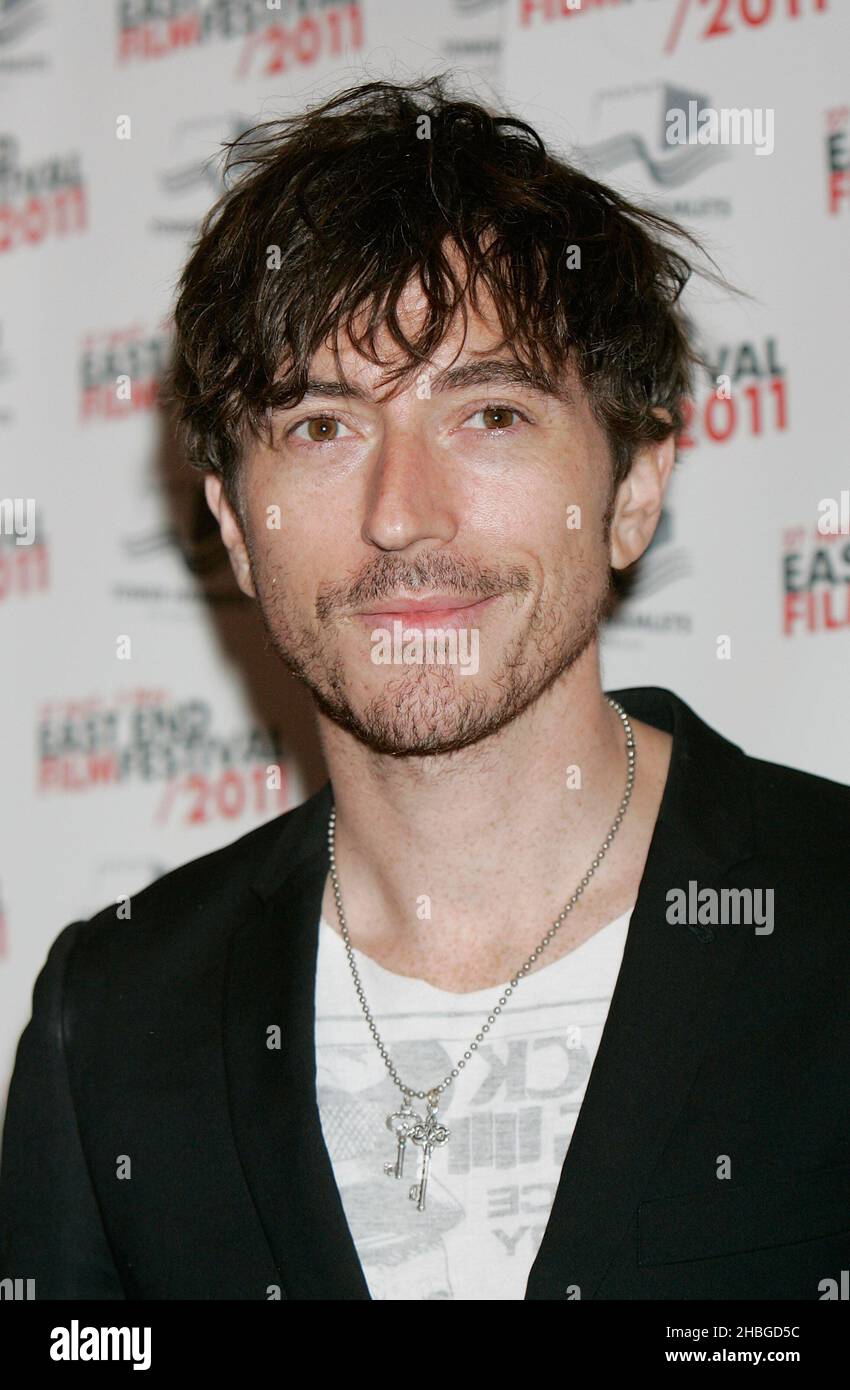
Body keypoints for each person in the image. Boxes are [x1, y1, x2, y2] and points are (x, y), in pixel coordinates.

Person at [1, 77, 848, 1302]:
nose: (402, 514)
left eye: (490, 413)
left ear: (633, 487)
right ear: (235, 525)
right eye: (321, 428)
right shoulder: (118, 1021)